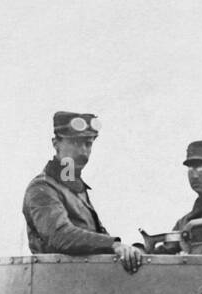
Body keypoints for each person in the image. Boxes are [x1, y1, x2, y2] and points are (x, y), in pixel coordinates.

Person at [22, 111, 143, 273]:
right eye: (74, 143)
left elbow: (96, 236)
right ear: (55, 143)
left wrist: (131, 249)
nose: (82, 152)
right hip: (54, 283)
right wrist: (113, 244)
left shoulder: (77, 189)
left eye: (88, 143)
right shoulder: (42, 189)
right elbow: (60, 236)